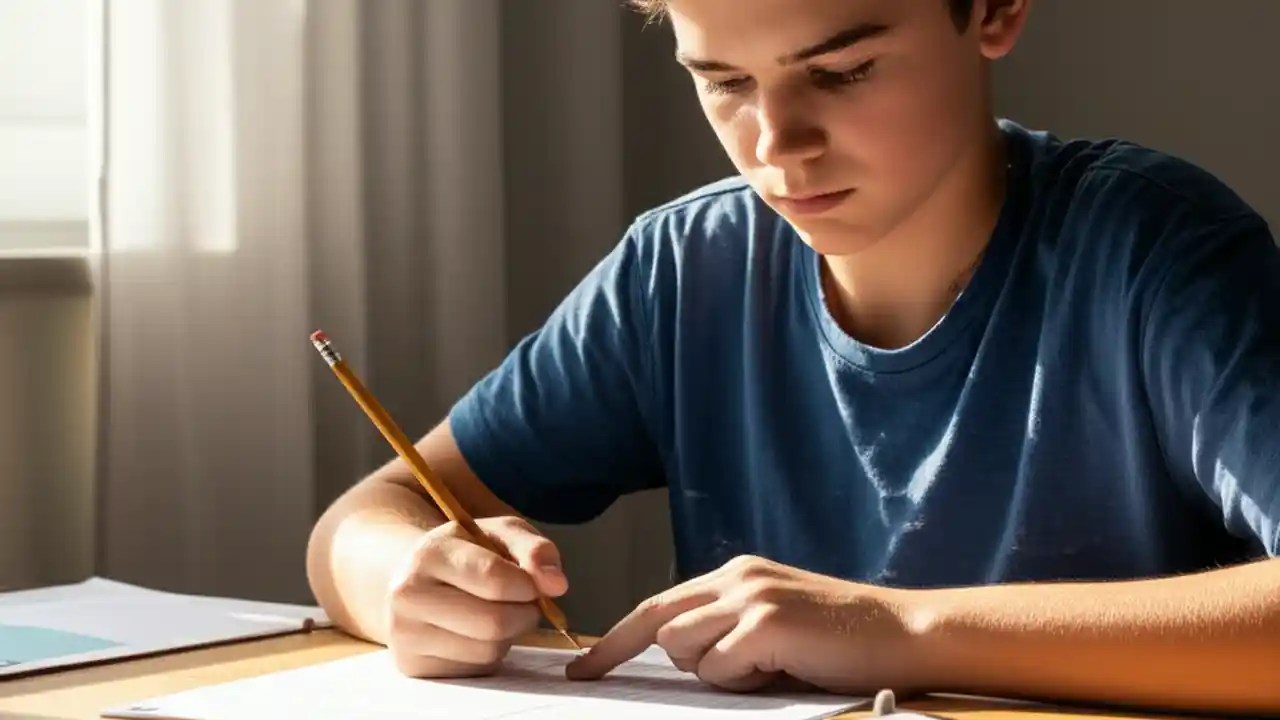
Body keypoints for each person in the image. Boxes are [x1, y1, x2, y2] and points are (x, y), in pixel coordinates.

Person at [306, 0, 1280, 714]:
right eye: (722, 82)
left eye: (842, 71)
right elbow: (361, 521)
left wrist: (894, 632)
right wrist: (405, 579)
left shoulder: (1150, 251)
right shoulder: (680, 273)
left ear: (991, 11)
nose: (776, 144)